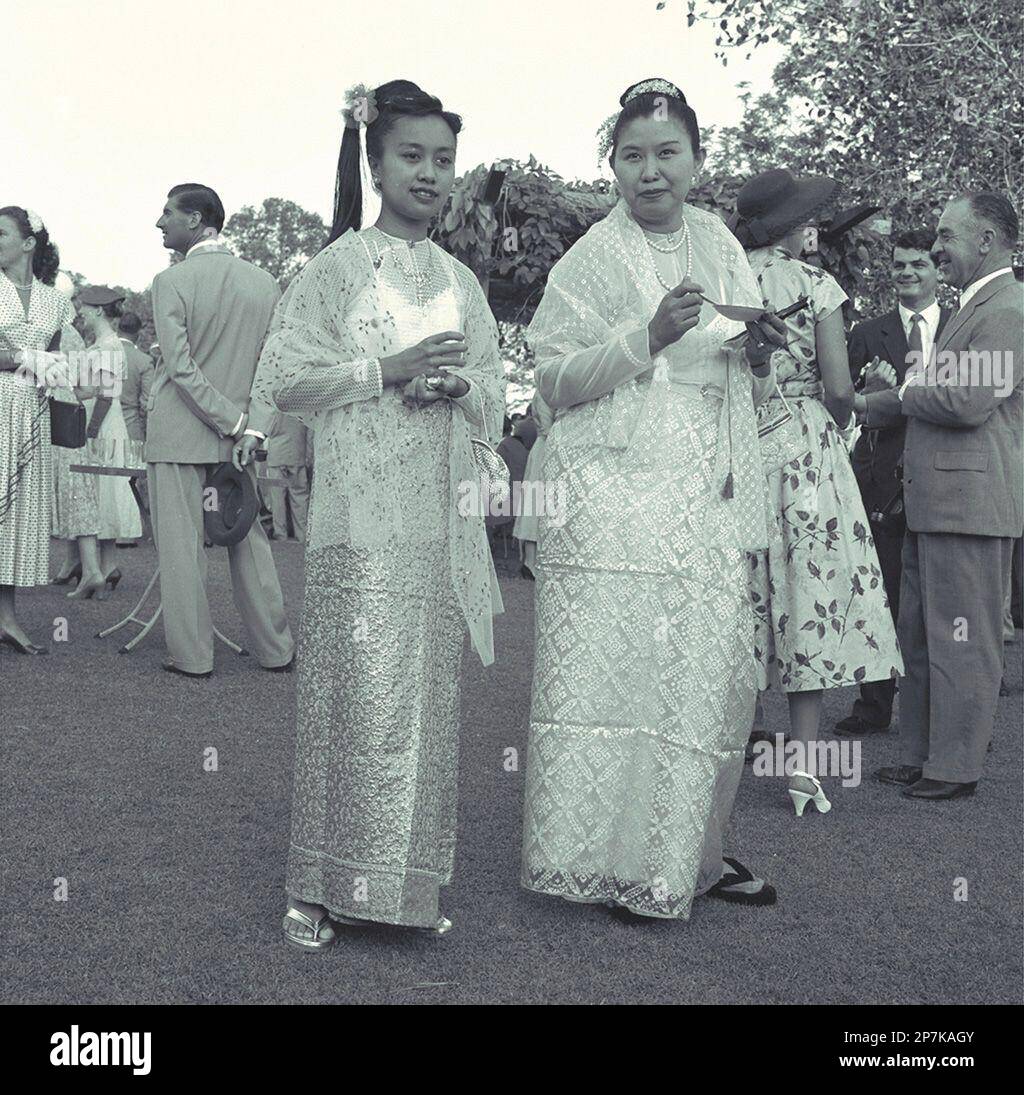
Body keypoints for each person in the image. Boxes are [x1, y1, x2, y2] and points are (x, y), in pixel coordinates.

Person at [521, 78, 787, 921]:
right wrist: (648, 336)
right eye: (632, 155)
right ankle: (602, 859)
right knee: (615, 678)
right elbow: (556, 375)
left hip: (705, 493)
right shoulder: (589, 259)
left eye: (667, 152)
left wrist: (760, 350)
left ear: (698, 161)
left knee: (703, 674)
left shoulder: (721, 245)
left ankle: (690, 855)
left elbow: (747, 366)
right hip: (609, 501)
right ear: (613, 167)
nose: (651, 171)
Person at [250, 80, 505, 949]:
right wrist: (386, 371)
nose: (430, 175)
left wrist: (455, 384)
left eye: (443, 160)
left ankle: (401, 886)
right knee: (349, 703)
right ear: (376, 162)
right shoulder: (336, 268)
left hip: (434, 522)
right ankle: (317, 888)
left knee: (423, 707)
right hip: (357, 523)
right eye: (412, 157)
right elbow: (285, 379)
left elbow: (498, 397)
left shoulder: (463, 281)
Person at [736, 169, 903, 816]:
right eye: (807, 217)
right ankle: (803, 768)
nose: (816, 226)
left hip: (739, 443)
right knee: (809, 591)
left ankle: (722, 748)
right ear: (786, 225)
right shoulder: (814, 286)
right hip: (805, 448)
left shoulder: (726, 278)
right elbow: (838, 388)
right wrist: (847, 417)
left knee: (744, 589)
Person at [865, 192, 1023, 800]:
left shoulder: (1008, 307)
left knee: (962, 640)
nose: (934, 247)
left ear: (986, 240)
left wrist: (907, 388)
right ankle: (923, 755)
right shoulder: (977, 306)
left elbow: (966, 401)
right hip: (938, 503)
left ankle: (955, 767)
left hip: (970, 507)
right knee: (924, 636)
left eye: (946, 236)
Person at [147, 182, 295, 679]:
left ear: (196, 220)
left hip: (179, 434)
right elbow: (269, 369)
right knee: (247, 541)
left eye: (168, 213)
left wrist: (232, 422)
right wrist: (250, 429)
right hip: (238, 441)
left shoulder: (170, 282)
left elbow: (181, 368)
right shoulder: (264, 283)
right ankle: (276, 650)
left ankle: (192, 658)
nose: (159, 222)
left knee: (182, 548)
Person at [835, 232, 952, 736]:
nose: (906, 273)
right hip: (880, 477)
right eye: (899, 265)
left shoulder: (959, 327)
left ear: (937, 270)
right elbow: (842, 407)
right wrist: (871, 395)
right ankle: (874, 706)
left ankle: (942, 715)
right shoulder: (867, 331)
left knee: (939, 600)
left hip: (943, 473)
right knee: (878, 592)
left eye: (918, 264)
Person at [0, 207, 78, 653]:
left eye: (2, 233)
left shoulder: (55, 301)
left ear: (29, 243)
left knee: (15, 515)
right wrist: (19, 359)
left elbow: (57, 358)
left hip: (31, 409)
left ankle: (7, 618)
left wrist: (56, 367)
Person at [67, 285, 143, 595]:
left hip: (100, 426)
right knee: (104, 492)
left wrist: (90, 432)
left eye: (83, 308)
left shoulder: (109, 347)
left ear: (98, 310)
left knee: (98, 491)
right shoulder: (100, 346)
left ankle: (99, 569)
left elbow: (107, 396)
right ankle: (107, 566)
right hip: (100, 424)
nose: (80, 313)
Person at [512, 390, 553, 580]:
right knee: (535, 505)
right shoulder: (545, 392)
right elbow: (546, 426)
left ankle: (535, 559)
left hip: (545, 447)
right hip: (546, 447)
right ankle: (530, 560)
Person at [262, 410, 310, 542]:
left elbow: (267, 429)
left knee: (277, 498)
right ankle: (302, 535)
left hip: (277, 455)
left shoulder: (274, 407)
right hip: (297, 454)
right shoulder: (301, 406)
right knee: (299, 497)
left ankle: (280, 534)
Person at [118, 311, 155, 444]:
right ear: (138, 334)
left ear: (118, 329)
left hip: (98, 426)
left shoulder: (98, 352)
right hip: (130, 427)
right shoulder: (144, 361)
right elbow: (147, 403)